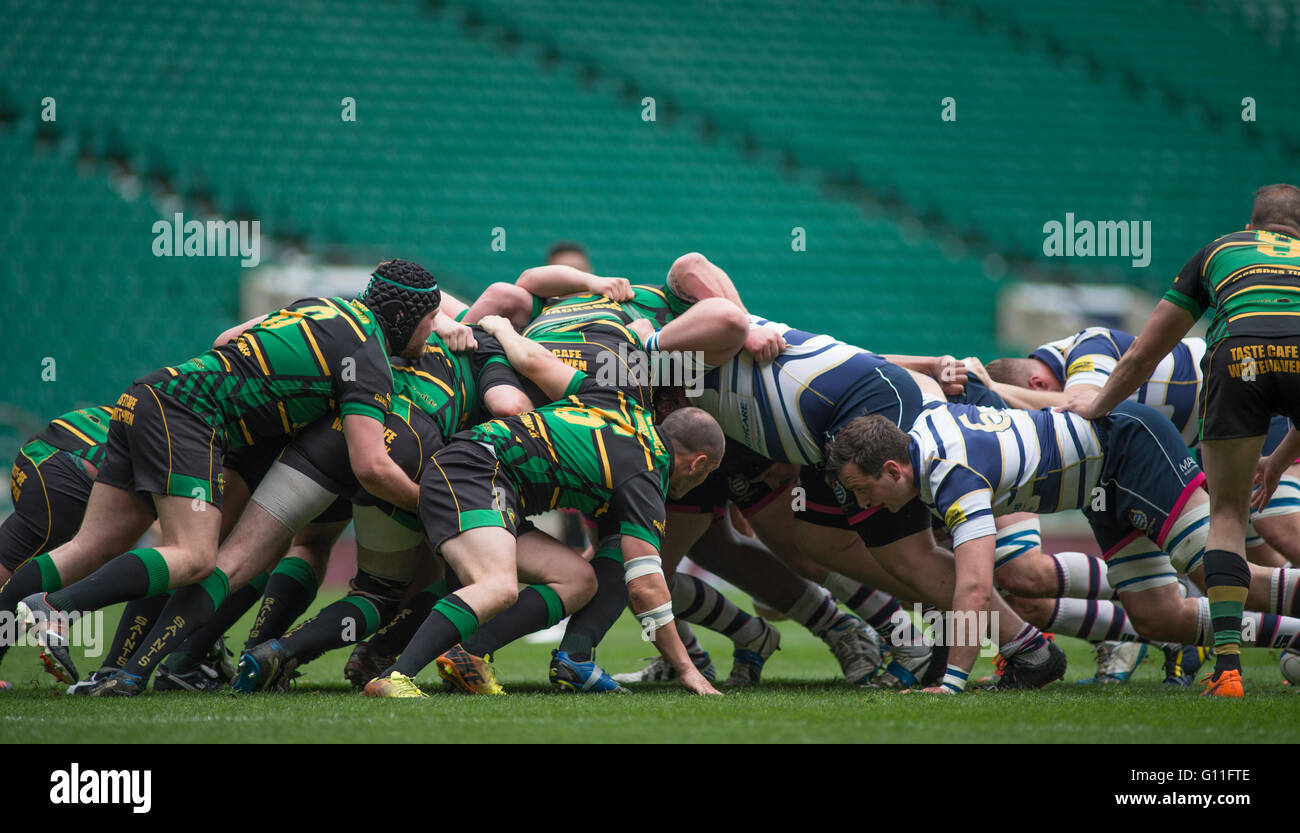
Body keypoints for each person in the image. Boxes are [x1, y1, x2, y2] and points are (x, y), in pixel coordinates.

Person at [8, 260, 443, 684]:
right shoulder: (368, 356)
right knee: (195, 557)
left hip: (149, 395)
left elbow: (227, 337)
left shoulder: (323, 306)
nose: (433, 330)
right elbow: (370, 466)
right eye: (430, 319)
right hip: (190, 416)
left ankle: (75, 649)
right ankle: (59, 607)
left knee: (90, 547)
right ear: (403, 316)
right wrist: (435, 504)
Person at [363, 315, 727, 697]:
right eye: (707, 473)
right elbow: (645, 588)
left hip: (484, 476)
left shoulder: (621, 400)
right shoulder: (647, 474)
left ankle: (467, 653)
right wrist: (687, 669)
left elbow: (534, 361)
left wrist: (501, 327)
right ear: (699, 462)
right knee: (498, 586)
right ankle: (393, 676)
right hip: (475, 472)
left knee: (578, 580)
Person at [1063, 183, 1300, 696]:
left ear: (1252, 225)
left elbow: (1143, 354)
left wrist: (1096, 406)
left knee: (1229, 517)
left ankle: (1229, 672)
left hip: (1239, 356)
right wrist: (1279, 463)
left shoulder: (1220, 250)